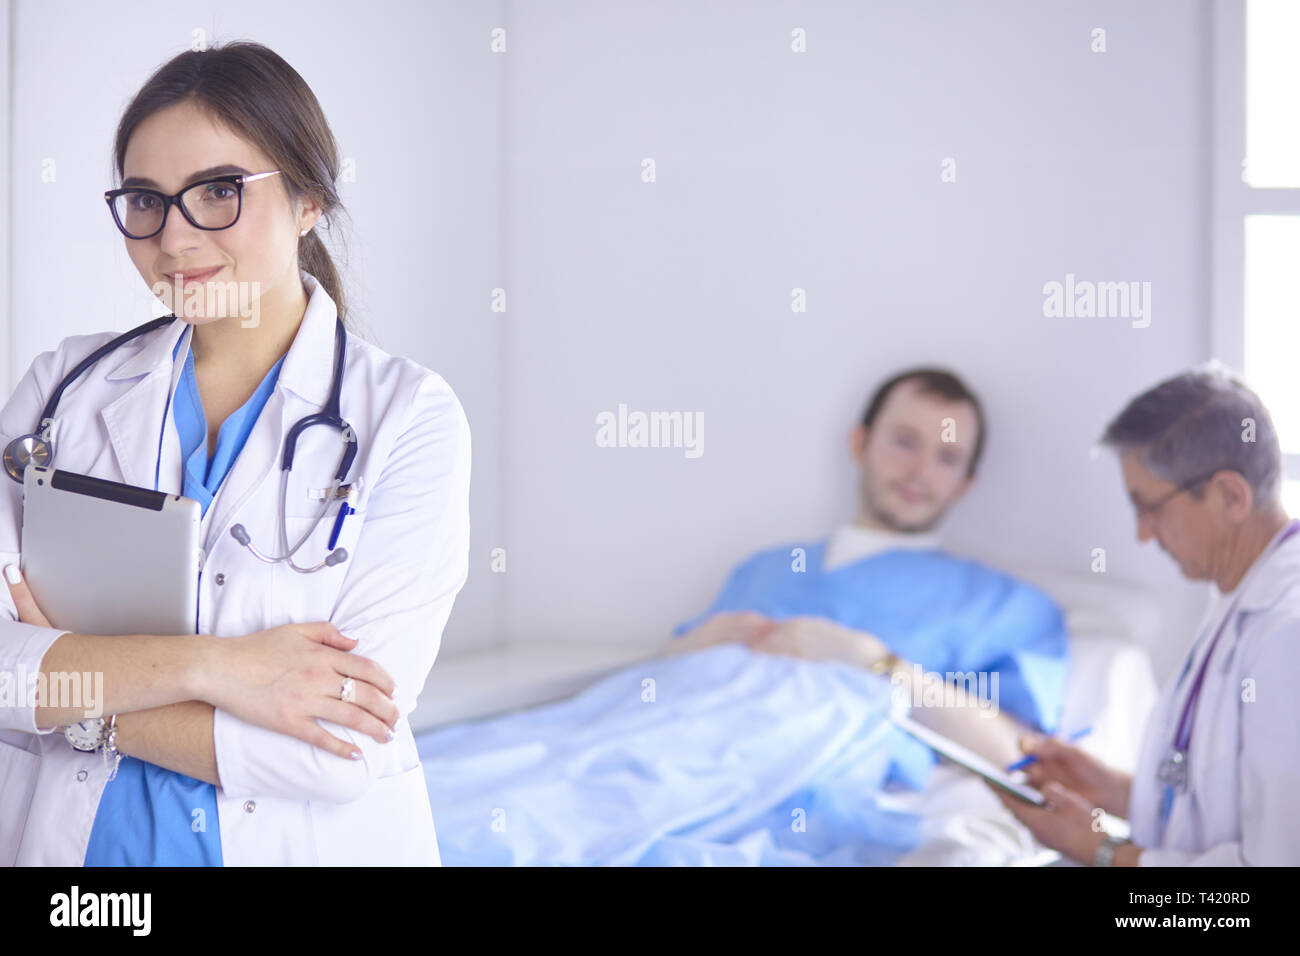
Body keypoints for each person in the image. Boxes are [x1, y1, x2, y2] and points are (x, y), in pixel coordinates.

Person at [0, 42, 470, 866]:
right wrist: (227, 671)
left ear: (309, 199)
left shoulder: (411, 420)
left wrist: (78, 690)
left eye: (219, 192)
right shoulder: (59, 392)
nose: (174, 236)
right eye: (146, 200)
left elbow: (329, 749)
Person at [666, 367, 1069, 768]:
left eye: (947, 457)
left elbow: (1020, 756)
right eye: (905, 442)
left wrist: (874, 662)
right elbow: (645, 691)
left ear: (965, 483)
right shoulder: (764, 569)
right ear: (861, 444)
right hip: (671, 748)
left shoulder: (1004, 607)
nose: (921, 471)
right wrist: (689, 648)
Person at [991, 364, 1300, 865]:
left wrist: (1104, 849)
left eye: (1150, 508)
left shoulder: (1288, 636)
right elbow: (1225, 805)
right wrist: (1111, 791)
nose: (1143, 534)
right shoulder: (1239, 594)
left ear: (1230, 497)